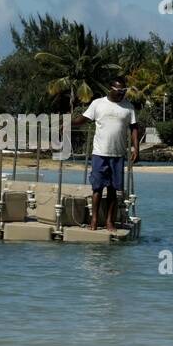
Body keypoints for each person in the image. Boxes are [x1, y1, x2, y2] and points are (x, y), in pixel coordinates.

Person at [71, 77, 139, 231]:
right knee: (97, 188)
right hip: (100, 153)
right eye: (119, 91)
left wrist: (136, 148)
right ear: (111, 89)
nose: (122, 93)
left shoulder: (128, 107)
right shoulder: (98, 104)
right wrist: (68, 123)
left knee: (113, 190)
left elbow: (134, 128)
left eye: (124, 91)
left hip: (118, 154)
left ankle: (110, 222)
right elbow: (83, 119)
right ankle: (94, 221)